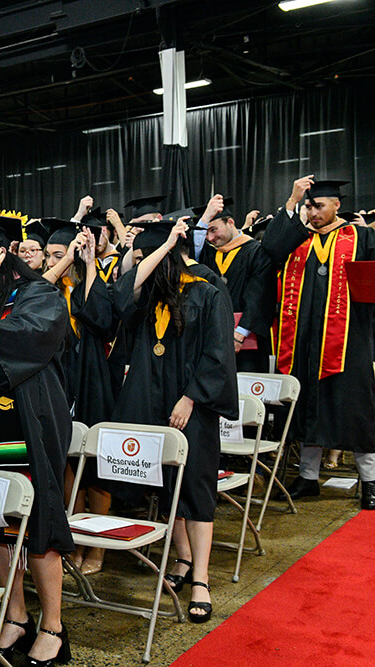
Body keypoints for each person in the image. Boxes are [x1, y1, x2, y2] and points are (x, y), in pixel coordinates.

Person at [0, 208, 74, 667]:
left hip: (31, 422)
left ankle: (54, 626)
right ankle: (17, 614)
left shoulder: (38, 292)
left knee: (38, 523)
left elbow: (31, 335)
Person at [111, 218, 238, 624]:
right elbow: (120, 295)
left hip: (193, 406)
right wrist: (158, 249)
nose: (138, 265)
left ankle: (200, 577)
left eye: (142, 258)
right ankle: (182, 560)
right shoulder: (149, 297)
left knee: (196, 488)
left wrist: (190, 397)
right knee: (166, 488)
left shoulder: (208, 293)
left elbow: (219, 354)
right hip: (151, 401)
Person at [262, 177, 375, 509]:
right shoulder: (299, 239)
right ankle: (308, 477)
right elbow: (270, 249)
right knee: (308, 409)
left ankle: (370, 481)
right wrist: (291, 202)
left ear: (337, 205)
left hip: (349, 342)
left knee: (356, 412)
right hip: (303, 343)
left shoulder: (362, 236)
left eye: (318, 206)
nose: (312, 213)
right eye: (308, 206)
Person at [39, 220, 117, 576]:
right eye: (51, 255)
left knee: (97, 469)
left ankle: (96, 549)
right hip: (57, 384)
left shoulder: (94, 284)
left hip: (91, 382)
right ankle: (73, 539)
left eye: (63, 252)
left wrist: (88, 265)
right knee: (67, 467)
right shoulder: (46, 290)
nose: (58, 259)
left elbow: (102, 321)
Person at [195, 196, 275, 372]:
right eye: (206, 232)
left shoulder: (256, 252)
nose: (210, 237)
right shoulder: (209, 253)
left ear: (230, 222)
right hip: (213, 337)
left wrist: (240, 334)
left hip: (246, 341)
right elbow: (193, 251)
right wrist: (204, 219)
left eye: (214, 230)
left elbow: (260, 295)